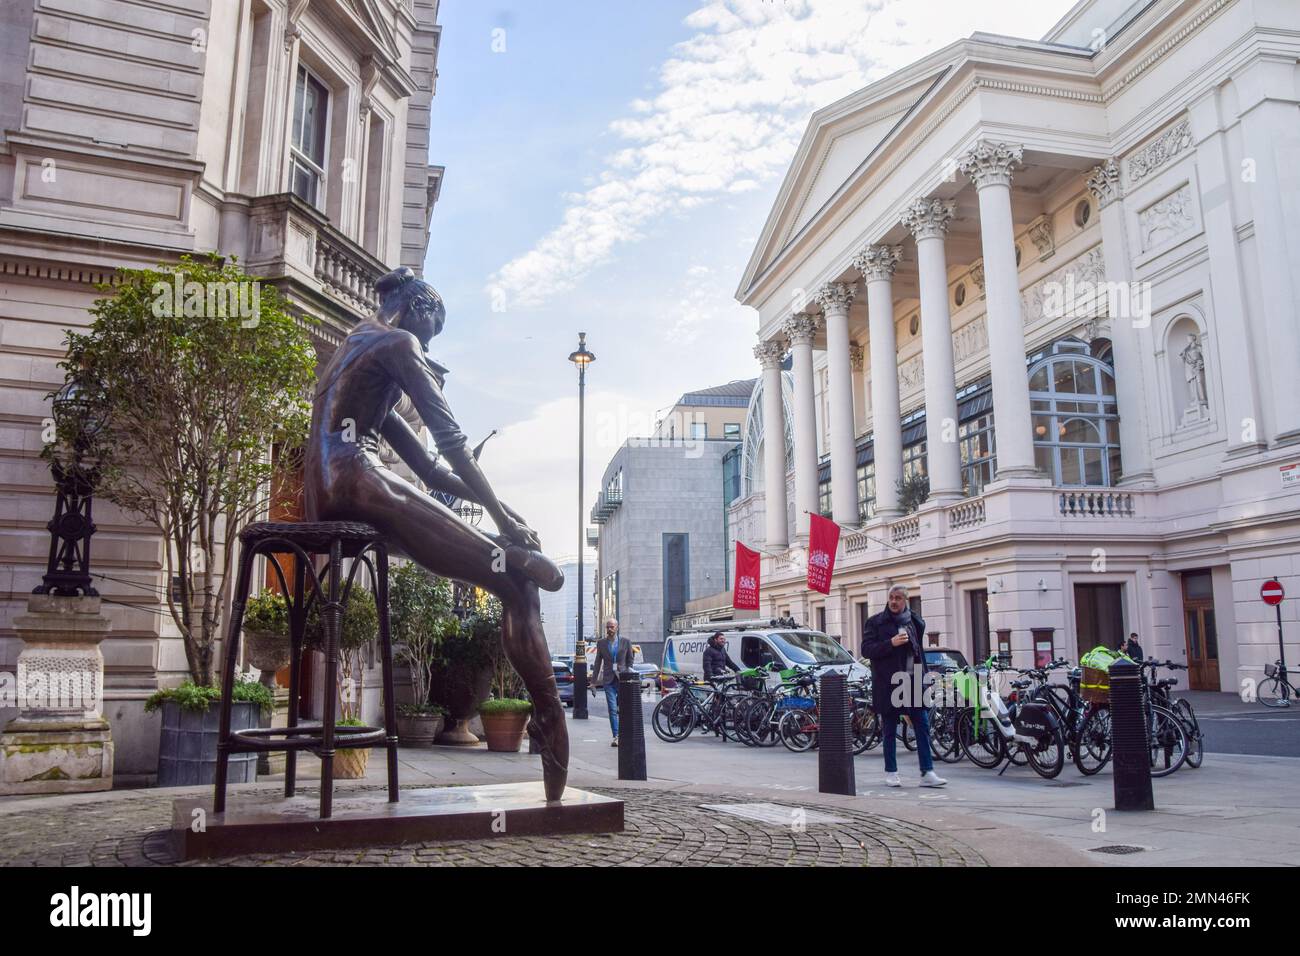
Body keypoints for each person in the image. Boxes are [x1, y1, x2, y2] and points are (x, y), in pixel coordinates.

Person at [304, 267, 568, 799]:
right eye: (434, 329)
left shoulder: (357, 350)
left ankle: (510, 557)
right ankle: (549, 715)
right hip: (357, 480)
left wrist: (506, 512)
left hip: (329, 488)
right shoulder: (399, 341)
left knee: (503, 565)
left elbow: (431, 473)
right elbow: (451, 441)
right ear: (420, 309)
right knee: (515, 586)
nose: (428, 343)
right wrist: (501, 522)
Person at [861, 585, 946, 789]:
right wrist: (890, 643)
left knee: (922, 725)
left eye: (898, 598)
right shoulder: (875, 622)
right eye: (891, 597)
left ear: (905, 600)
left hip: (913, 680)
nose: (894, 601)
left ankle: (927, 772)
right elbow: (866, 650)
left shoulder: (913, 621)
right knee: (889, 728)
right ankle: (891, 772)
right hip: (889, 682)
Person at [589, 617, 634, 746]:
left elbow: (630, 660)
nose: (609, 629)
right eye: (608, 627)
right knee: (612, 708)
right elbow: (598, 663)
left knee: (623, 709)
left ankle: (624, 733)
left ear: (617, 627)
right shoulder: (601, 643)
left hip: (623, 679)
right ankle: (616, 735)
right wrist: (593, 682)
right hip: (608, 680)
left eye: (612, 627)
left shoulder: (626, 642)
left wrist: (629, 674)